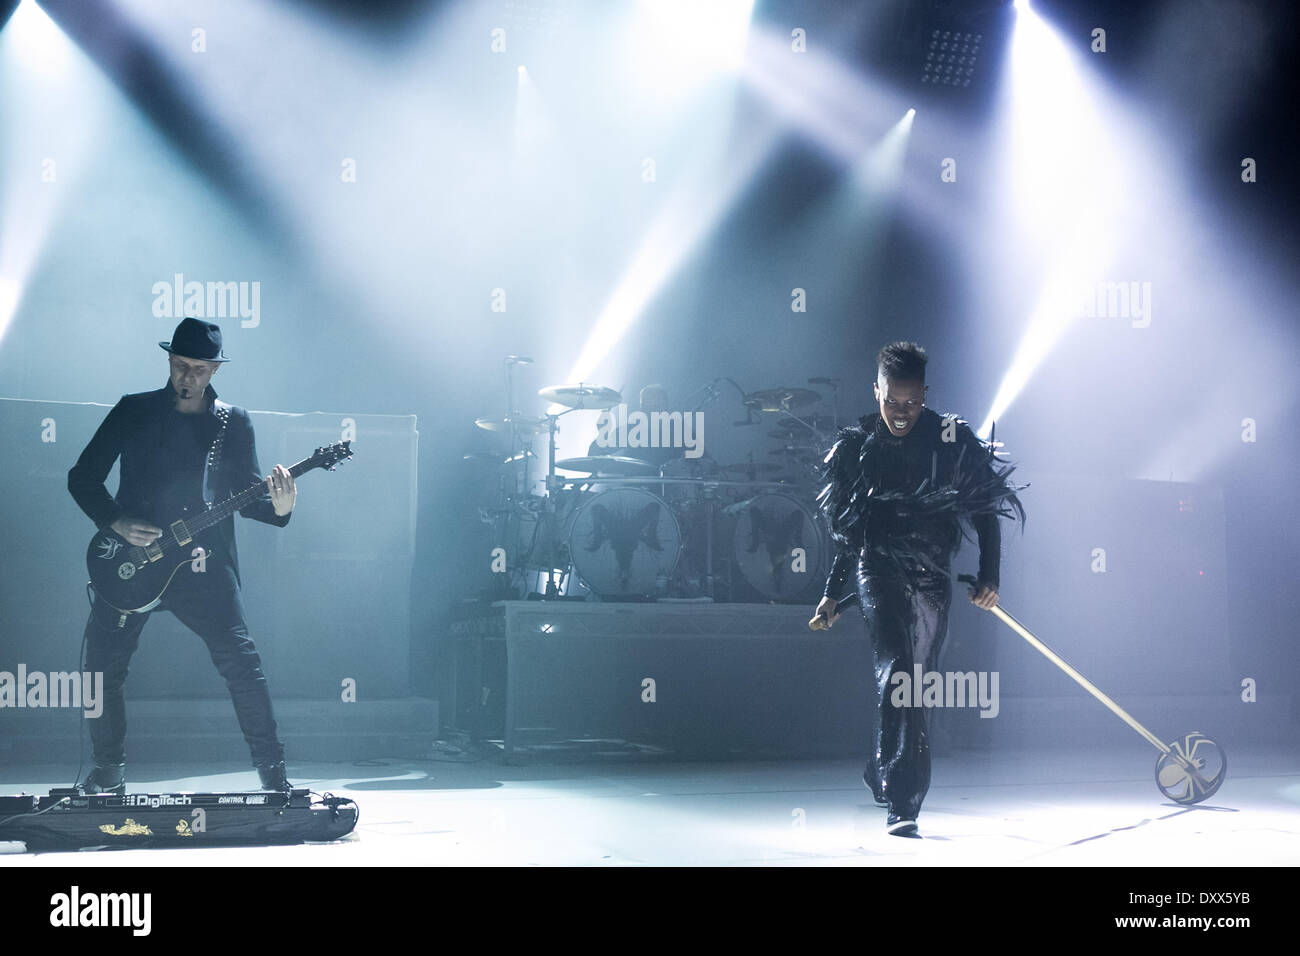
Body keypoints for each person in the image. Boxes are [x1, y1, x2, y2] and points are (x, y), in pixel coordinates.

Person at [67, 317, 297, 794]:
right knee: (100, 667)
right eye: (179, 365)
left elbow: (248, 496)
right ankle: (108, 771)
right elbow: (82, 476)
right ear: (168, 361)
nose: (187, 377)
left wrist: (281, 508)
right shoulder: (133, 410)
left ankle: (274, 777)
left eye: (198, 368)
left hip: (202, 564)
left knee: (242, 662)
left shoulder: (234, 422)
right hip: (133, 559)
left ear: (214, 369)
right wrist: (113, 520)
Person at [812, 341, 1024, 837]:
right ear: (876, 391)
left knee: (920, 685)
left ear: (925, 395)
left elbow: (987, 511)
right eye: (891, 402)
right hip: (876, 569)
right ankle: (904, 802)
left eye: (911, 403)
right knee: (898, 673)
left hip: (931, 575)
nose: (901, 413)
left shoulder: (952, 438)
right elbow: (851, 529)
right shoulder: (857, 444)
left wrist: (990, 576)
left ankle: (880, 769)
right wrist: (830, 591)